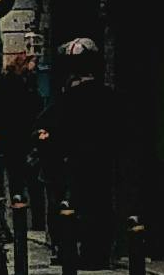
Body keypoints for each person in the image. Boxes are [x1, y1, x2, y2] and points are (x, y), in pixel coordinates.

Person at [40, 37, 115, 261]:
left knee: (73, 206)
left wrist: (47, 138)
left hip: (75, 161)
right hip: (98, 160)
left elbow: (52, 125)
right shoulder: (105, 96)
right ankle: (95, 251)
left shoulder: (69, 98)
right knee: (96, 205)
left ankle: (74, 250)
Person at [0, 47, 44, 230]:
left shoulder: (29, 81)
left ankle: (34, 220)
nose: (35, 66)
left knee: (29, 178)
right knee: (18, 177)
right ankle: (23, 220)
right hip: (13, 135)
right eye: (32, 62)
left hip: (24, 135)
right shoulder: (9, 81)